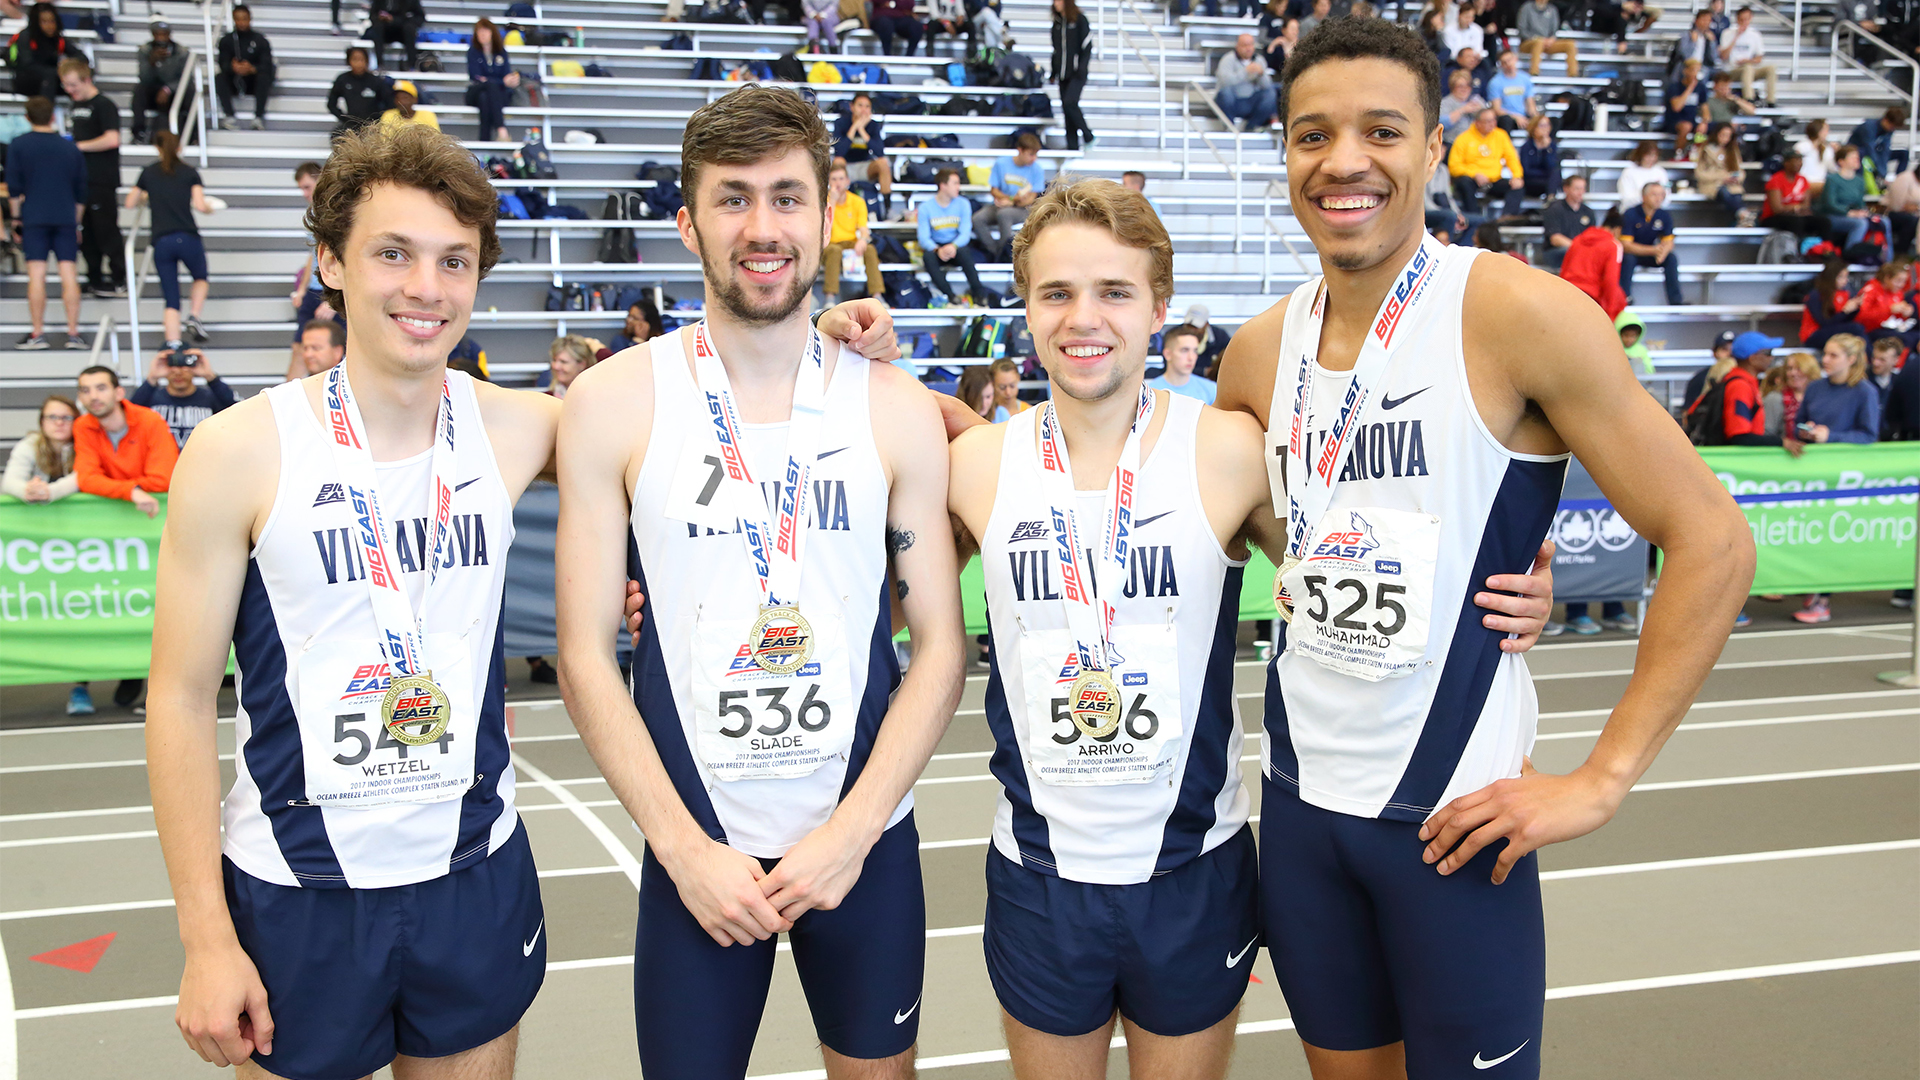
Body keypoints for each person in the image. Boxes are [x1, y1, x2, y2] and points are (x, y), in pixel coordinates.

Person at [1215, 23, 1752, 1077]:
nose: (1344, 161)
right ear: (1285, 152)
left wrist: (1603, 778)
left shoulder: (1516, 313)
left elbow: (1713, 539)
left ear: (1434, 145)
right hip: (1302, 813)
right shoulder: (1259, 351)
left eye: (1381, 131)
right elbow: (1282, 531)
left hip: (1454, 825)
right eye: (1313, 135)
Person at [552, 84, 966, 1080]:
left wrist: (850, 834)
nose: (763, 227)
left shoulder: (895, 406)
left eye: (787, 197)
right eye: (733, 199)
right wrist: (682, 849)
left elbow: (940, 649)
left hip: (863, 845)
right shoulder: (614, 401)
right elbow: (582, 657)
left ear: (827, 215)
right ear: (688, 222)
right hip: (697, 851)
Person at [944, 177, 1268, 1080]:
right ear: (1026, 307)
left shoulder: (1229, 451)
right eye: (1057, 292)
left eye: (1114, 292)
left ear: (1159, 308)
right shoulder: (973, 465)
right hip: (1040, 876)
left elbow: (1338, 567)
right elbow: (864, 606)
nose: (1083, 318)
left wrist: (1519, 581)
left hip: (1193, 867)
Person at [1791, 334, 1880, 624]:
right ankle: (1812, 588)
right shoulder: (1816, 387)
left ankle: (1823, 599)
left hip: (1843, 475)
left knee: (1832, 531)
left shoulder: (1864, 391)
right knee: (1810, 530)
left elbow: (1868, 435)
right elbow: (1799, 423)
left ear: (1851, 359)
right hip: (1812, 471)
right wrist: (1805, 431)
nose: (1825, 360)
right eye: (1825, 354)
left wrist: (1832, 436)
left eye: (1833, 355)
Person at [8, 95, 86, 351]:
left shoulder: (19, 145)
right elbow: (81, 191)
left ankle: (38, 332)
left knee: (36, 274)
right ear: (53, 117)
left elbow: (14, 188)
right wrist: (76, 223)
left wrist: (16, 219)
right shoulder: (70, 147)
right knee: (69, 273)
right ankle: (73, 333)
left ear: (27, 118)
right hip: (65, 216)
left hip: (34, 216)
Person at [129, 132, 215, 351]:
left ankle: (174, 343)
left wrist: (146, 196)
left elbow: (130, 202)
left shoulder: (148, 172)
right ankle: (194, 315)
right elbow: (200, 205)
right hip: (187, 236)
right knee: (200, 277)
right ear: (179, 147)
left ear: (157, 148)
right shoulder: (190, 172)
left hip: (162, 240)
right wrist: (210, 208)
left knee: (171, 298)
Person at [60, 60, 126, 301]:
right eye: (66, 85)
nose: (69, 90)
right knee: (86, 234)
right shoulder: (75, 105)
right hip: (80, 180)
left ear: (87, 80)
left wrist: (78, 146)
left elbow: (112, 139)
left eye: (73, 85)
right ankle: (94, 278)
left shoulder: (104, 105)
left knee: (106, 231)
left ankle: (120, 279)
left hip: (101, 179)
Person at [131, 348, 235, 448]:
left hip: (200, 457)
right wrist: (152, 379)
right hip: (162, 458)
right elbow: (130, 414)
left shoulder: (209, 397)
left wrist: (211, 377)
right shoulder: (151, 397)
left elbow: (236, 411)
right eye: (172, 365)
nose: (178, 373)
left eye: (184, 365)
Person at [919, 168, 991, 303]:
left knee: (965, 253)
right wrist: (937, 249)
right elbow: (923, 238)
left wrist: (953, 246)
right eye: (955, 183)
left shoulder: (963, 204)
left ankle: (980, 295)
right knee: (928, 257)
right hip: (937, 248)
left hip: (956, 246)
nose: (958, 187)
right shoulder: (925, 208)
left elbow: (965, 233)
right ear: (943, 185)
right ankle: (951, 296)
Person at [975, 133, 1048, 260]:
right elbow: (994, 190)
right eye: (1031, 154)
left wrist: (1011, 202)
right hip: (1002, 204)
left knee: (1004, 214)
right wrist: (1008, 199)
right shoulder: (1001, 163)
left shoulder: (1037, 169)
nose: (1034, 158)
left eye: (1036, 155)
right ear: (1020, 150)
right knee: (977, 219)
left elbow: (1031, 198)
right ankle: (996, 252)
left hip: (1023, 209)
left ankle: (1007, 255)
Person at [824, 161, 887, 305]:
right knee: (834, 251)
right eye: (834, 179)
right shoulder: (824, 202)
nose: (838, 183)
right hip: (830, 243)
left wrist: (863, 240)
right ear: (829, 182)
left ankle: (877, 295)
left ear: (847, 181)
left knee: (870, 249)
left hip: (851, 241)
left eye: (841, 179)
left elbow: (863, 227)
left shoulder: (857, 201)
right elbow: (823, 229)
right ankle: (830, 297)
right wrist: (832, 202)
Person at [2, 395, 81, 504]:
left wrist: (50, 492)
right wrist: (27, 491)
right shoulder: (29, 444)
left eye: (67, 418)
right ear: (42, 422)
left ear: (77, 421)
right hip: (35, 513)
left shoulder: (85, 445)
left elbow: (82, 477)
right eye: (52, 417)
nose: (59, 423)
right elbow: (9, 481)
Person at [1448, 108, 1524, 219]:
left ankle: (1507, 217)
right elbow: (1454, 166)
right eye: (1488, 121)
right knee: (1463, 183)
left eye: (1494, 120)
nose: (1492, 124)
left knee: (1517, 186)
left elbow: (1512, 158)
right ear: (1477, 123)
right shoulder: (1463, 139)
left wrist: (1517, 176)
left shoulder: (1501, 135)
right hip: (1472, 179)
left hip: (1494, 179)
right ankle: (1475, 218)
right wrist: (1474, 174)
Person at [1620, 181, 1684, 307]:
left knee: (1671, 258)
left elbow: (1669, 241)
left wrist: (1662, 253)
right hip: (1633, 253)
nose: (1658, 198)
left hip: (1651, 254)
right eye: (1654, 195)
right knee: (1628, 259)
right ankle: (1624, 298)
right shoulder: (1630, 214)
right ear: (1644, 197)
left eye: (1661, 195)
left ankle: (1676, 300)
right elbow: (1626, 245)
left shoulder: (1664, 215)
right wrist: (1654, 250)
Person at [1559, 206, 1628, 317]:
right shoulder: (1613, 245)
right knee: (1620, 297)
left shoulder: (1578, 239)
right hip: (1591, 298)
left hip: (1567, 293)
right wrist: (1610, 313)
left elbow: (1564, 268)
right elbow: (1610, 280)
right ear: (1618, 230)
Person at [133, 21, 193, 145]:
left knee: (190, 90)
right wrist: (151, 62)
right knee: (139, 89)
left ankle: (193, 135)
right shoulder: (145, 50)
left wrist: (168, 89)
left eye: (164, 34)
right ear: (152, 35)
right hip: (153, 91)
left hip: (175, 92)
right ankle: (139, 133)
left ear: (169, 34)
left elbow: (186, 78)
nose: (161, 38)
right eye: (157, 34)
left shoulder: (181, 52)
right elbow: (144, 78)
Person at [215, 5, 274, 131]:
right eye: (238, 19)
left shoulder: (260, 40)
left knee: (264, 77)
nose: (241, 22)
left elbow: (267, 65)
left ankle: (258, 117)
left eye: (244, 19)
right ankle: (229, 116)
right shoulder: (226, 40)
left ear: (250, 19)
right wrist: (233, 67)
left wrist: (252, 68)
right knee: (219, 77)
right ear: (234, 20)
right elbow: (222, 63)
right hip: (234, 81)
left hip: (253, 82)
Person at [8, 3, 79, 100]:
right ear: (36, 22)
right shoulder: (26, 36)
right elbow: (27, 64)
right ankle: (46, 109)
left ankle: (81, 106)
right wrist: (57, 71)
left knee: (78, 75)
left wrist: (68, 63)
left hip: (53, 79)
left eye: (52, 21)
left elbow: (81, 57)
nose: (49, 26)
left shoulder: (58, 39)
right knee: (50, 76)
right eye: (44, 21)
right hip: (27, 80)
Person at [830, 93, 893, 202]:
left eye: (867, 106)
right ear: (852, 107)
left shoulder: (873, 125)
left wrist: (862, 130)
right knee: (837, 161)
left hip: (865, 167)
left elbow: (879, 152)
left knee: (883, 163)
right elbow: (839, 151)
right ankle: (837, 203)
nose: (864, 110)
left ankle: (887, 206)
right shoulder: (841, 122)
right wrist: (854, 127)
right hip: (846, 167)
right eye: (860, 105)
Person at [465, 19, 519, 143]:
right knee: (489, 87)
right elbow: (476, 76)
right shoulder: (473, 52)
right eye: (479, 31)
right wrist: (501, 81)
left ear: (492, 32)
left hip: (495, 95)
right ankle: (501, 129)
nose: (482, 34)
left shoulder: (501, 52)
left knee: (485, 97)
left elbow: (506, 75)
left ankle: (484, 140)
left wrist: (499, 81)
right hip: (476, 92)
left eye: (485, 30)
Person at [1053, 0, 1096, 150]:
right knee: (1066, 109)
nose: (1056, 3)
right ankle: (1072, 145)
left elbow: (1087, 45)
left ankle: (1088, 135)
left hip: (1077, 73)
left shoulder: (1080, 20)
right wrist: (1053, 71)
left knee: (1070, 102)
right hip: (1062, 74)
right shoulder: (1057, 23)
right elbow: (1056, 50)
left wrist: (1082, 67)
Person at [1816, 143, 1874, 253]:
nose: (1856, 159)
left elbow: (1860, 202)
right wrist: (1849, 213)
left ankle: (1885, 257)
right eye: (1852, 157)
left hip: (1853, 214)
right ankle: (1851, 252)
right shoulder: (1832, 179)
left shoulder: (1859, 181)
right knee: (1860, 224)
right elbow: (1830, 204)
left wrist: (1863, 211)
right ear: (1841, 161)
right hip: (1834, 215)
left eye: (1857, 157)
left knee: (1882, 221)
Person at [1216, 34, 1279, 132]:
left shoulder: (1259, 60)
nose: (1248, 48)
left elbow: (1267, 86)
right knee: (1225, 93)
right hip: (1234, 101)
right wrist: (1245, 72)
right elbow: (1225, 83)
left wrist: (1261, 74)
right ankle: (1229, 127)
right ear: (1237, 46)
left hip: (1251, 101)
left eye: (1251, 45)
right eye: (1245, 45)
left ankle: (1252, 126)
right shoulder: (1228, 59)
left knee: (1271, 93)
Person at [1762, 151, 1830, 236]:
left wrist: (1793, 208)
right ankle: (1795, 244)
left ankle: (1824, 244)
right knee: (1796, 222)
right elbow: (1777, 209)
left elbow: (1806, 205)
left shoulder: (1803, 179)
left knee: (1824, 222)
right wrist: (1797, 208)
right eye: (1796, 160)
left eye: (1800, 160)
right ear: (1786, 163)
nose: (1799, 163)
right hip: (1773, 218)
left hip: (1797, 215)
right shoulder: (1775, 180)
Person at [1716, 5, 1774, 105]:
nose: (1744, 22)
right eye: (1741, 19)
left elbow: (1759, 58)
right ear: (1737, 19)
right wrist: (1736, 37)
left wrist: (1748, 61)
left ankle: (1771, 101)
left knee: (1771, 68)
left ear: (1750, 19)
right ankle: (1749, 98)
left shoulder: (1755, 35)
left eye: (1746, 19)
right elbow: (1723, 56)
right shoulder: (1727, 33)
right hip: (1732, 69)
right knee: (1748, 68)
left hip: (1749, 67)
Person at [1694, 121, 1750, 224]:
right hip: (1712, 184)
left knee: (1736, 194)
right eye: (1723, 135)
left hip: (1732, 184)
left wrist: (1736, 178)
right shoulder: (1705, 150)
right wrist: (1722, 178)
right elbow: (1700, 173)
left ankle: (1741, 218)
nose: (1725, 139)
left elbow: (1740, 171)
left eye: (1728, 136)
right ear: (1716, 134)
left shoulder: (1733, 150)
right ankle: (1743, 214)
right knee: (1724, 192)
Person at [1147, 322, 1219, 402]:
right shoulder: (1150, 393)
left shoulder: (1212, 390)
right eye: (1184, 350)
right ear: (1168, 354)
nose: (1191, 358)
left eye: (1195, 351)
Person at [328, 46, 391, 137]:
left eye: (362, 59)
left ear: (367, 61)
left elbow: (389, 102)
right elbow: (331, 104)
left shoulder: (375, 81)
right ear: (348, 61)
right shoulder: (343, 79)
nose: (359, 63)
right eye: (355, 59)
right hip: (351, 125)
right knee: (336, 135)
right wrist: (345, 118)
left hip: (373, 126)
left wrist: (378, 119)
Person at [1857, 260, 1918, 349]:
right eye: (1898, 281)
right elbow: (1860, 316)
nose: (1901, 285)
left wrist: (1905, 313)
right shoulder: (1870, 290)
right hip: (1871, 329)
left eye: (1904, 281)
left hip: (1891, 329)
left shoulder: (1898, 293)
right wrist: (1888, 310)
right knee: (1905, 339)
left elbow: (1897, 317)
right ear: (1887, 278)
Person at [1541, 172, 1594, 268]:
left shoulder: (1588, 211)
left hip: (1580, 251)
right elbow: (1555, 239)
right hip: (1555, 252)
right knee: (1574, 253)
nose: (1581, 192)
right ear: (1566, 189)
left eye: (1583, 188)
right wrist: (1578, 247)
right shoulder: (1555, 209)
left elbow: (1592, 237)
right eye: (1577, 189)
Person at [1762, 349, 1820, 437]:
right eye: (1789, 369)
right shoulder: (1775, 398)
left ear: (1810, 371)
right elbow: (1766, 434)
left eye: (1799, 368)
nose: (1793, 373)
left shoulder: (1821, 397)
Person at [1848, 105, 1907, 185]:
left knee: (1904, 153)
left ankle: (1899, 182)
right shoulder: (1868, 127)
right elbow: (1870, 150)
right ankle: (1862, 183)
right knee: (1863, 153)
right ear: (1885, 120)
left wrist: (1884, 173)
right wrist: (1880, 173)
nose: (1892, 129)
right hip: (1860, 153)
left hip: (1875, 153)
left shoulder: (1889, 131)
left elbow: (1885, 150)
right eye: (1891, 126)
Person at [1516, 0, 1576, 75]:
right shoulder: (1526, 7)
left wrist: (1552, 39)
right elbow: (1522, 30)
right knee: (1539, 42)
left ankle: (1573, 74)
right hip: (1528, 43)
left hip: (1546, 43)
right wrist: (1536, 38)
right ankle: (1534, 72)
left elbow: (1554, 31)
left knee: (1570, 44)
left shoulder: (1552, 9)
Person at [1663, 58, 1707, 153]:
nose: (1695, 73)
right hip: (1674, 121)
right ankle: (1679, 153)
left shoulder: (1701, 88)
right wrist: (1690, 88)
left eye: (1698, 70)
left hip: (1692, 120)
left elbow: (1705, 108)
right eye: (1693, 70)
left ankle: (1696, 153)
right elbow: (1676, 107)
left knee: (1703, 129)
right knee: (1686, 126)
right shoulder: (1674, 87)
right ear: (1685, 71)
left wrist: (1704, 122)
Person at [367, 0, 425, 70]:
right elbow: (372, 15)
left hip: (404, 31)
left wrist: (394, 20)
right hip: (385, 31)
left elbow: (420, 18)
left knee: (409, 29)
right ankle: (379, 65)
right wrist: (380, 18)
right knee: (377, 27)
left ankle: (411, 66)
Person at [1485, 50, 1537, 126]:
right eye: (1504, 62)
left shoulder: (1525, 79)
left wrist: (1535, 118)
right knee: (1506, 120)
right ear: (1501, 65)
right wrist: (1516, 117)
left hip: (1523, 115)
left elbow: (1530, 103)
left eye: (1509, 60)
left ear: (1515, 59)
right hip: (1507, 118)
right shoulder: (1495, 82)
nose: (1508, 64)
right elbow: (1496, 109)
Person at [1517, 112, 1560, 202]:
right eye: (1542, 126)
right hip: (1530, 182)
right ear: (1534, 128)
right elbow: (1526, 171)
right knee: (1552, 177)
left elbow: (1551, 166)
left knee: (1556, 172)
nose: (1545, 128)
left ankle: (1550, 199)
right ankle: (1551, 200)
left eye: (1547, 125)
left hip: (1547, 182)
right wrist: (1544, 173)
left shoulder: (1552, 146)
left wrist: (1546, 149)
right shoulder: (1527, 147)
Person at [545, 334, 599, 398]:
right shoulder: (546, 397)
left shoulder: (595, 397)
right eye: (554, 360)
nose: (556, 366)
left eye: (563, 362)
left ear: (582, 364)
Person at [1792, 117, 1835, 195]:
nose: (1827, 133)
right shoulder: (1802, 146)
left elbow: (1833, 168)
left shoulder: (1827, 149)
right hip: (1804, 182)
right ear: (1818, 131)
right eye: (1825, 130)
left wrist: (1837, 154)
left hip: (1820, 182)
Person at [1440, 69, 1485, 141]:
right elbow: (1442, 124)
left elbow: (1489, 117)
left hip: (1477, 142)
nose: (1464, 89)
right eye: (1460, 86)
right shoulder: (1445, 102)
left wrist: (1480, 112)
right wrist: (1462, 110)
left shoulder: (1476, 99)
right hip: (1453, 142)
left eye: (1468, 85)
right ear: (1453, 87)